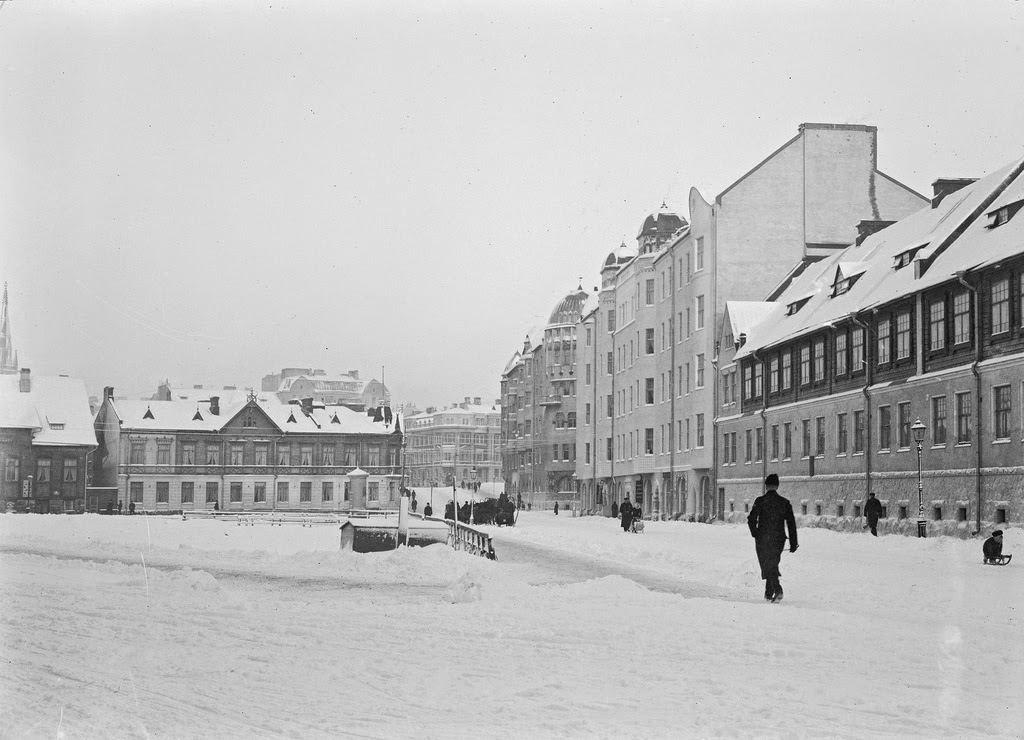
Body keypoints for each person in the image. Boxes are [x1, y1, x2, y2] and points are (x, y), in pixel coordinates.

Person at [747, 473, 798, 602]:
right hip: (778, 539)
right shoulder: (784, 502)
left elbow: (751, 519)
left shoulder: (760, 501)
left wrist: (755, 533)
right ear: (777, 486)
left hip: (763, 538)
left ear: (766, 486)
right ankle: (768, 593)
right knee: (772, 563)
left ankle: (777, 589)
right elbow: (791, 523)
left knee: (768, 564)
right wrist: (793, 543)